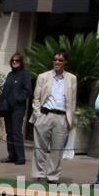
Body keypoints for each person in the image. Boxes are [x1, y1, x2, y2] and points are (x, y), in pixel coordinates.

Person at [30, 49, 78, 183]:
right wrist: (38, 115)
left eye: (60, 60)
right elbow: (36, 98)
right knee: (40, 148)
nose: (57, 62)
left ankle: (53, 176)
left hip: (62, 117)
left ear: (65, 62)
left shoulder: (72, 79)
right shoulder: (43, 76)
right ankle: (39, 174)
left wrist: (70, 120)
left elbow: (73, 101)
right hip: (45, 115)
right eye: (55, 59)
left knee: (57, 150)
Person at [0, 52, 31, 165]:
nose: (15, 62)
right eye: (13, 61)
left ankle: (21, 157)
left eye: (17, 61)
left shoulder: (24, 74)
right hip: (7, 108)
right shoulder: (10, 75)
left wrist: (18, 99)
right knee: (9, 132)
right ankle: (11, 155)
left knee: (16, 132)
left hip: (18, 108)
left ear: (21, 62)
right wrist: (2, 99)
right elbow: (5, 90)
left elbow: (28, 90)